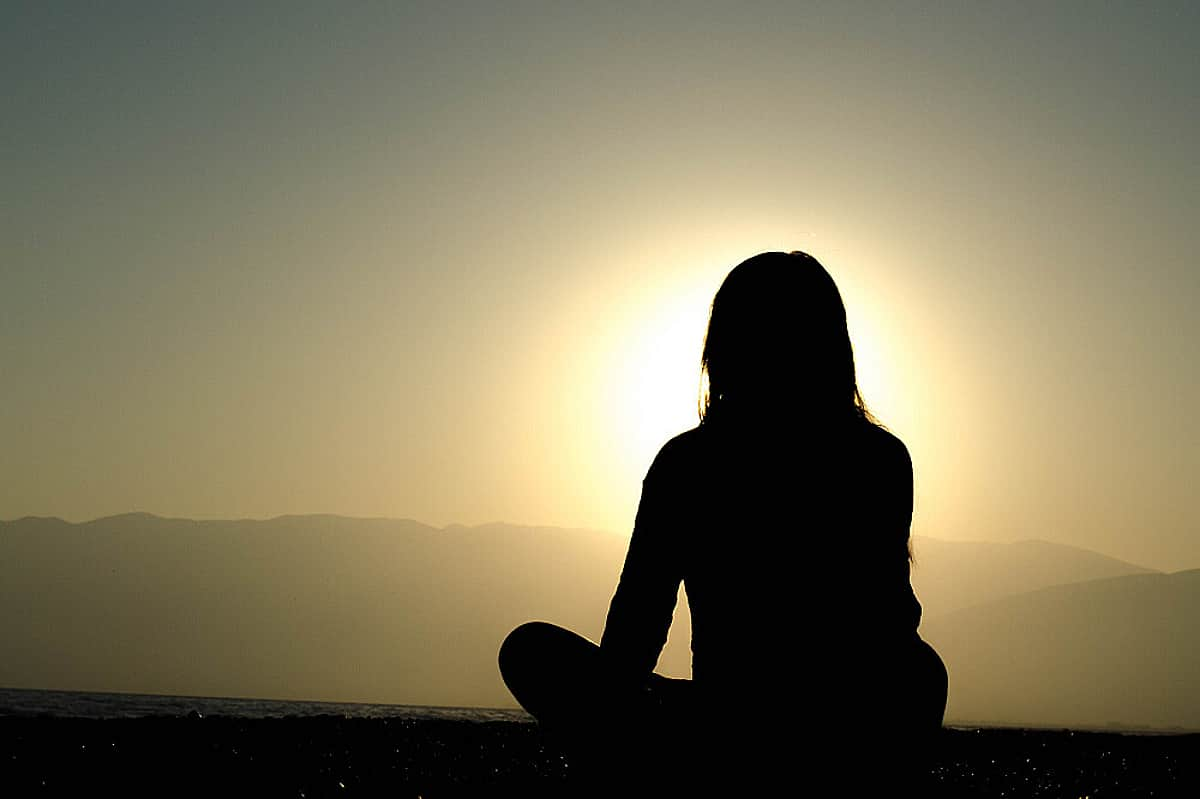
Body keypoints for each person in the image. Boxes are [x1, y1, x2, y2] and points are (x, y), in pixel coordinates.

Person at [499, 251, 947, 793]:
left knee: (531, 651)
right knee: (921, 671)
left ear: (722, 347)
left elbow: (635, 631)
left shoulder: (690, 462)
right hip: (810, 725)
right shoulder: (878, 457)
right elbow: (889, 622)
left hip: (744, 726)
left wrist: (613, 715)